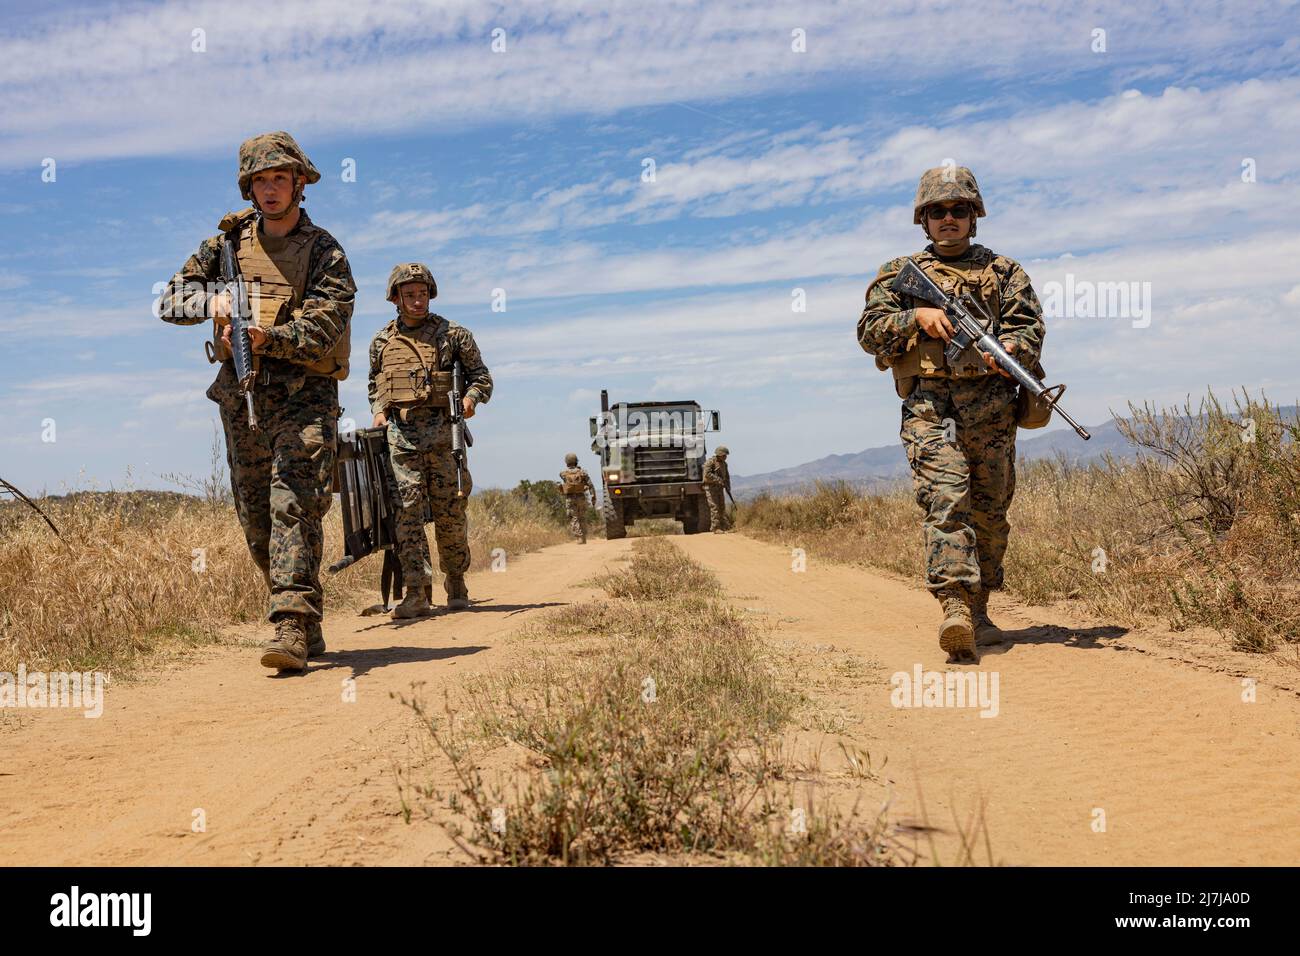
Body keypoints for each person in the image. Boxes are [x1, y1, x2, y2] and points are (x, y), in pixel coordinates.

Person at [160, 131, 355, 672]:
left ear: (299, 184)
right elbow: (168, 300)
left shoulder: (324, 251)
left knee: (293, 497)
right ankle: (305, 617)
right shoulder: (225, 245)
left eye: (280, 179)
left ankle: (290, 622)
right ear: (249, 188)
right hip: (243, 394)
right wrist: (212, 302)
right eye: (260, 180)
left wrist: (270, 337)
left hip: (305, 394)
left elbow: (327, 321)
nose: (270, 189)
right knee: (255, 514)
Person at [857, 165, 1044, 664]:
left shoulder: (1005, 273)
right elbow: (869, 331)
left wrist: (1009, 347)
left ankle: (979, 611)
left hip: (991, 411)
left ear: (973, 216)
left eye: (958, 209)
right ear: (923, 219)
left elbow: (1029, 329)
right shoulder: (899, 274)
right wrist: (915, 316)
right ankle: (954, 606)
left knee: (990, 510)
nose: (948, 218)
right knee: (946, 499)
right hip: (929, 408)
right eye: (937, 211)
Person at [368, 263, 493, 619]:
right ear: (395, 298)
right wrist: (379, 410)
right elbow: (375, 385)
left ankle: (455, 580)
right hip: (402, 440)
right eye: (410, 295)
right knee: (406, 514)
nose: (417, 301)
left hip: (443, 438)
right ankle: (416, 591)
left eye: (422, 294)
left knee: (449, 512)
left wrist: (470, 399)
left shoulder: (454, 335)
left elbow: (482, 377)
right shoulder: (382, 341)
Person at [558, 453, 598, 543]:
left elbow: (562, 478)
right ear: (576, 461)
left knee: (573, 517)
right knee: (582, 517)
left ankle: (579, 537)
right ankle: (583, 537)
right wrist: (593, 497)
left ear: (567, 462)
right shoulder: (583, 472)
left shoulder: (563, 473)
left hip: (570, 498)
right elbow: (590, 485)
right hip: (581, 497)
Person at [702, 446, 732, 532]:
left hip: (719, 488)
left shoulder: (724, 464)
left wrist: (728, 487)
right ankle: (715, 527)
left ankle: (723, 526)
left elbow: (727, 476)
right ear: (719, 454)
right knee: (714, 507)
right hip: (711, 488)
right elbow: (707, 474)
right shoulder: (710, 462)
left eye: (726, 455)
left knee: (722, 507)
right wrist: (718, 480)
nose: (725, 457)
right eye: (724, 455)